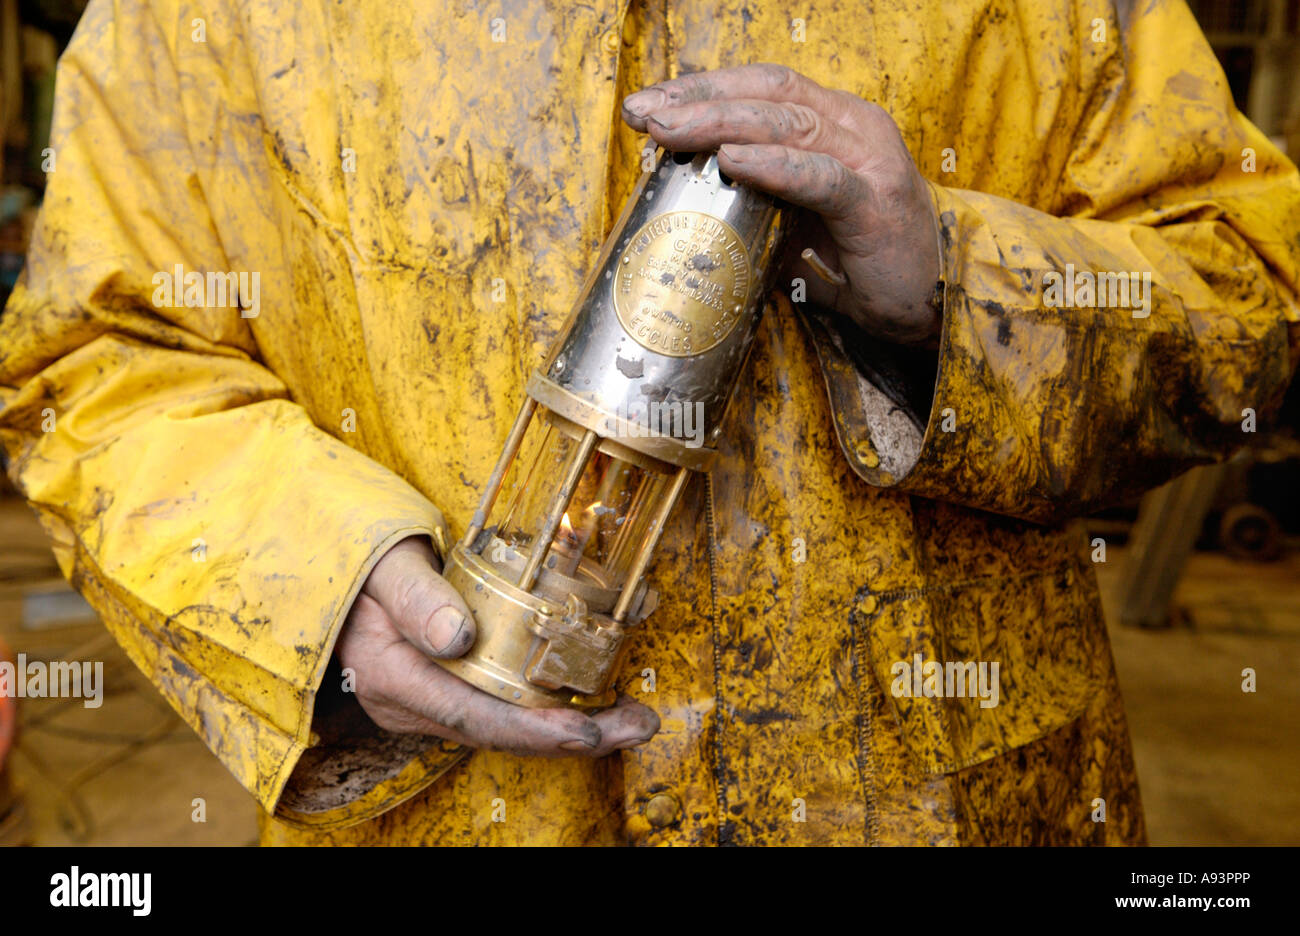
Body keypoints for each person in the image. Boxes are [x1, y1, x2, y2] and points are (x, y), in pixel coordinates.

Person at [1, 0, 1296, 845]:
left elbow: (1251, 296)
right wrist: (315, 591)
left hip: (939, 807)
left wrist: (951, 287)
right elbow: (97, 359)